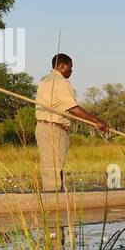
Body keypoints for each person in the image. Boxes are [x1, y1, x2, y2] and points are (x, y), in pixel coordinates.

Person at [34, 53, 109, 191]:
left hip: (45, 128)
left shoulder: (45, 80)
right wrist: (97, 120)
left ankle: (57, 194)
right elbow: (72, 108)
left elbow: (65, 109)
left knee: (53, 166)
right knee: (53, 168)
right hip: (53, 129)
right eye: (70, 67)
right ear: (62, 66)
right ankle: (53, 201)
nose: (71, 71)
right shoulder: (60, 81)